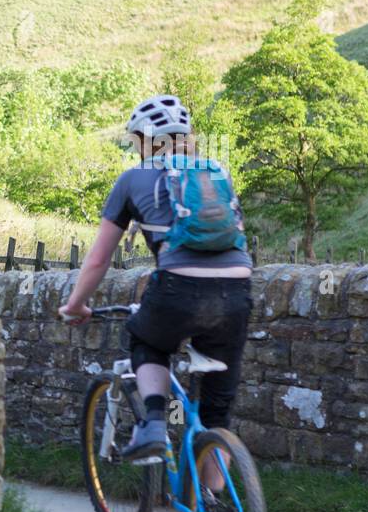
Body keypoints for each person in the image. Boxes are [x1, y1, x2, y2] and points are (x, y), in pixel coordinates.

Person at [58, 95, 253, 488]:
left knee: (146, 339)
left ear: (144, 141)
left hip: (178, 287)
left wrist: (76, 304)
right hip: (237, 291)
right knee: (216, 415)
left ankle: (153, 424)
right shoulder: (216, 171)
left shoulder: (132, 180)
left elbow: (98, 261)